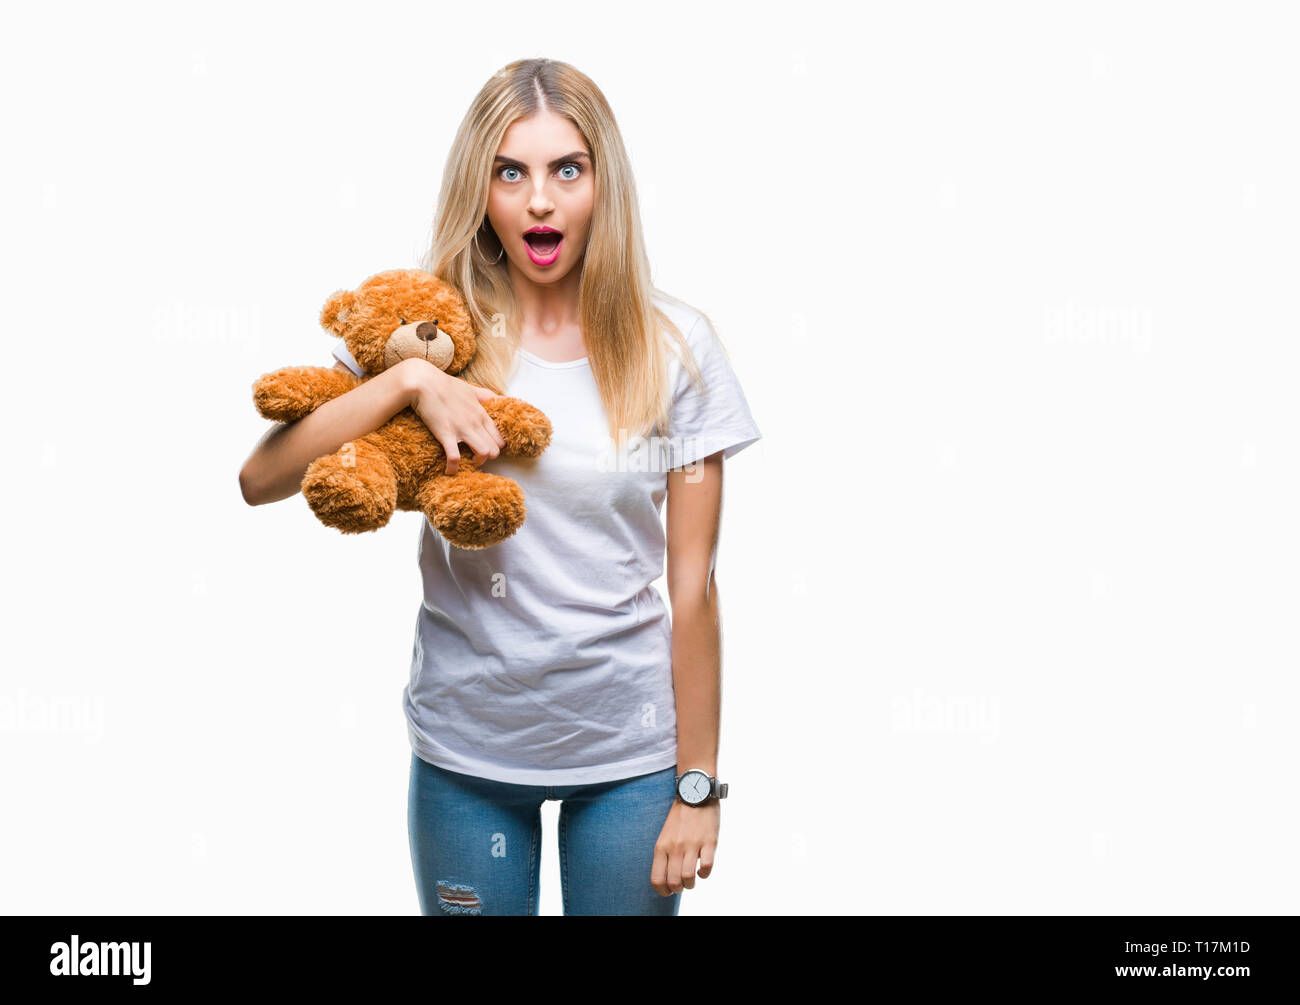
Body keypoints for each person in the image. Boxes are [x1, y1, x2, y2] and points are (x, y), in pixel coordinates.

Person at [238, 57, 761, 915]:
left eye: (568, 169)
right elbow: (262, 477)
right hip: (466, 753)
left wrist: (698, 784)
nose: (540, 201)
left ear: (605, 182)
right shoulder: (425, 330)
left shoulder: (678, 347)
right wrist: (406, 386)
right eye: (510, 172)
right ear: (480, 186)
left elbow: (693, 583)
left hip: (628, 758)